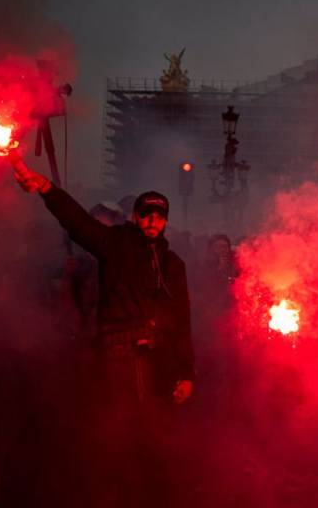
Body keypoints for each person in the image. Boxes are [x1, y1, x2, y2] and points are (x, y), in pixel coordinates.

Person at [12, 161, 194, 505]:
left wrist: (187, 373)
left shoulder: (174, 265)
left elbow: (182, 318)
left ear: (166, 220)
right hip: (119, 354)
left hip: (160, 359)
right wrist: (48, 190)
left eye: (159, 215)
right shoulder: (114, 243)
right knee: (118, 431)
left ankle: (154, 493)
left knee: (158, 433)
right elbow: (77, 222)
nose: (152, 220)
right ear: (135, 217)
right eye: (146, 214)